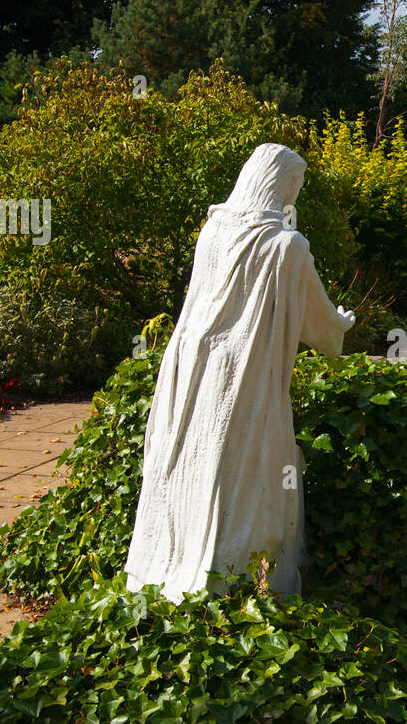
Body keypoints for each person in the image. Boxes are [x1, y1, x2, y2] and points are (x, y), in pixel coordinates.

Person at [124, 143, 355, 602]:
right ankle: (237, 578)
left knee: (191, 462)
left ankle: (171, 565)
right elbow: (323, 329)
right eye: (297, 185)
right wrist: (342, 324)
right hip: (244, 377)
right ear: (280, 182)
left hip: (190, 369)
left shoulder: (213, 231)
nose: (297, 195)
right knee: (247, 469)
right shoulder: (287, 246)